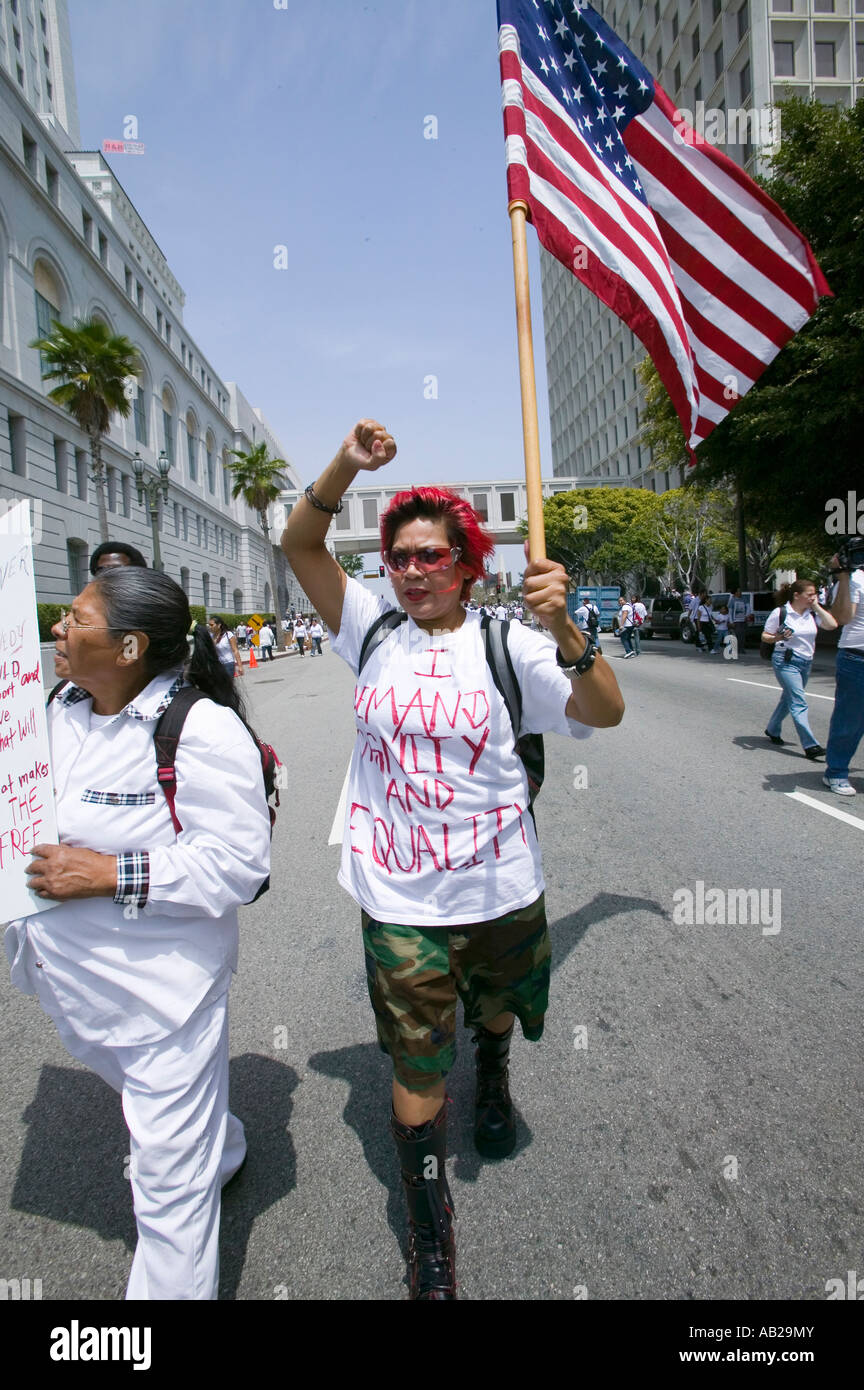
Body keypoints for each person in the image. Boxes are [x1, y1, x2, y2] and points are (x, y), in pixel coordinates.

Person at [280, 419, 624, 1301]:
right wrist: (345, 468)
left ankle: (497, 1071)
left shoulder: (511, 644)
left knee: (499, 1009)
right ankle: (432, 1242)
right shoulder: (371, 631)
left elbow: (606, 711)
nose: (413, 571)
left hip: (503, 886)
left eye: (433, 557)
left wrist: (570, 630)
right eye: (399, 558)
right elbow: (300, 542)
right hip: (399, 898)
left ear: (467, 564)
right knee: (417, 1064)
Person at [5, 569, 271, 1299]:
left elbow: (238, 867)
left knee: (166, 1192)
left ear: (128, 646)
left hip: (162, 1001)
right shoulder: (60, 708)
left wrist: (108, 874)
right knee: (174, 1127)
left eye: (77, 619)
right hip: (73, 986)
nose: (59, 626)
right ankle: (217, 1143)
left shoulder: (200, 729)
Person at [762, 580, 837, 758]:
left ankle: (772, 729)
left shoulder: (811, 614)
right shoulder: (781, 612)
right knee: (798, 701)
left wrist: (817, 607)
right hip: (785, 660)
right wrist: (778, 636)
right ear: (797, 595)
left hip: (806, 661)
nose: (813, 597)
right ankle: (811, 745)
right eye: (809, 594)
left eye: (815, 594)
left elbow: (832, 625)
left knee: (788, 698)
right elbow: (766, 636)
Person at [822, 552, 864, 795]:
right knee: (850, 721)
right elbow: (842, 617)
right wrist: (842, 576)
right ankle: (836, 772)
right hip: (856, 658)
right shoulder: (854, 579)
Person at [729, 589, 749, 658]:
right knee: (737, 635)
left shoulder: (744, 599)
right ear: (735, 593)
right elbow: (730, 611)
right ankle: (735, 649)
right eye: (738, 591)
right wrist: (731, 621)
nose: (740, 592)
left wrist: (747, 615)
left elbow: (748, 607)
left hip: (743, 620)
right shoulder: (732, 600)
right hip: (736, 621)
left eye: (740, 591)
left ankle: (741, 648)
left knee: (742, 635)